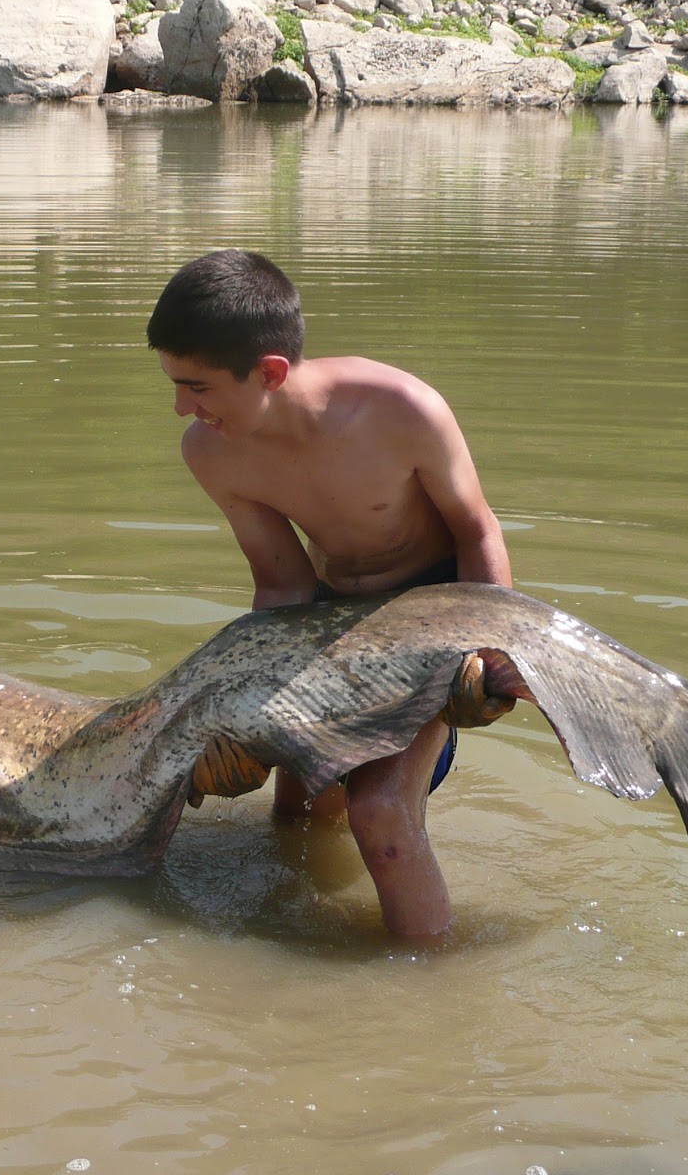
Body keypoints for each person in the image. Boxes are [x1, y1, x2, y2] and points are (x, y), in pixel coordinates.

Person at [147, 249, 513, 939]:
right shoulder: (211, 451)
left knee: (380, 815)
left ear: (271, 373)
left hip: (433, 614)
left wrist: (487, 651)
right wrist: (250, 714)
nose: (180, 408)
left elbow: (477, 530)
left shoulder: (402, 410)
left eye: (196, 387)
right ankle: (297, 921)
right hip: (325, 617)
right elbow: (282, 584)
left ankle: (427, 990)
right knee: (297, 807)